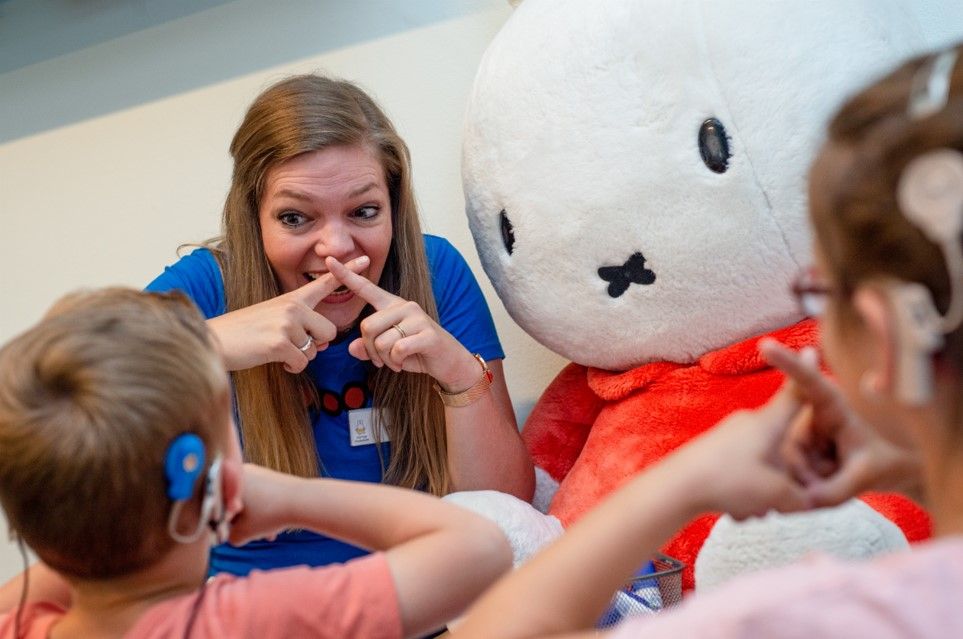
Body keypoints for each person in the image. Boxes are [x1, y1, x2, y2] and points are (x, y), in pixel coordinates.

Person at [452, 43, 963, 638]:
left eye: (819, 297)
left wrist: (687, 480)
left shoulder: (820, 613)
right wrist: (921, 469)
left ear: (885, 339)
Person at [144, 74, 533, 574]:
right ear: (252, 217)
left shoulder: (435, 273)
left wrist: (458, 374)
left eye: (364, 212)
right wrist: (204, 344)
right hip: (250, 612)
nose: (336, 249)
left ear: (394, 208)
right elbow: (50, 395)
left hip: (420, 601)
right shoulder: (205, 286)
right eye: (295, 218)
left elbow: (506, 511)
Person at [0, 287, 511, 638]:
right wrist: (293, 496)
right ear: (202, 471)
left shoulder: (22, 622)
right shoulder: (246, 622)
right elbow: (481, 547)